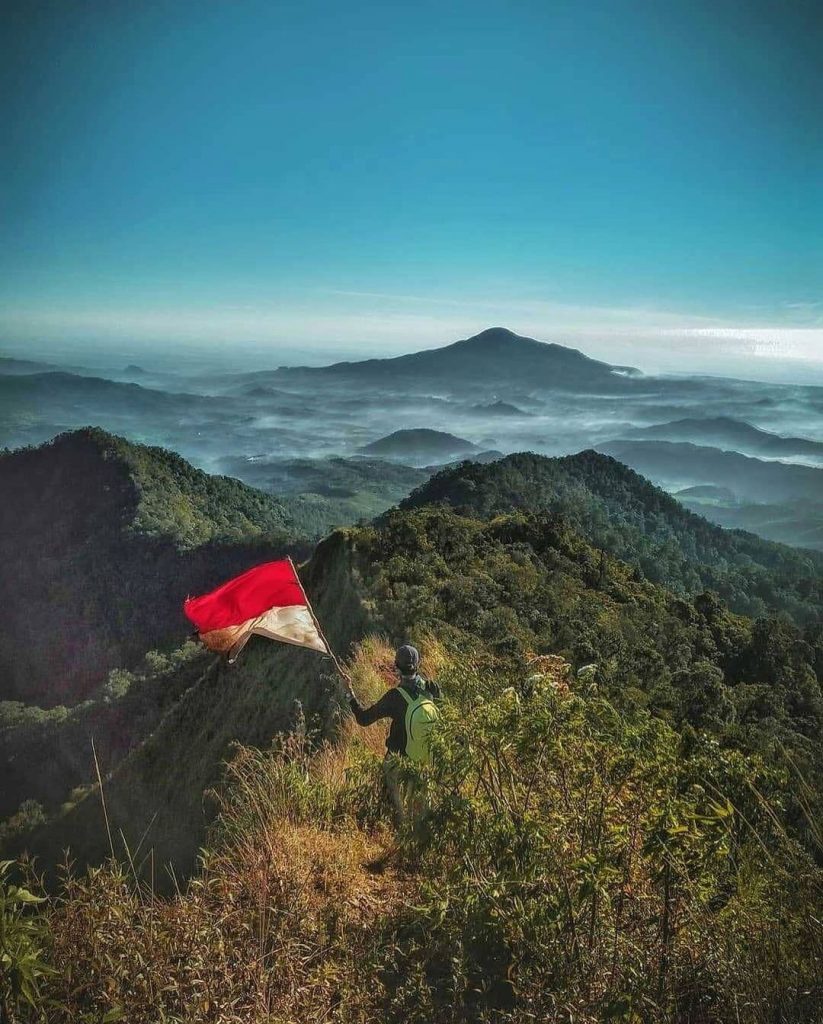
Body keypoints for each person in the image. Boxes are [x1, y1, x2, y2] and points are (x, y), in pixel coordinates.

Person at [344, 644, 441, 824]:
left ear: (396, 667)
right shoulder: (430, 690)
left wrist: (350, 697)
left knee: (400, 813)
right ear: (418, 665)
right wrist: (439, 698)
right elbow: (444, 721)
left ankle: (395, 834)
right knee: (423, 816)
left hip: (398, 762)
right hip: (425, 763)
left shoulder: (394, 697)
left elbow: (364, 719)